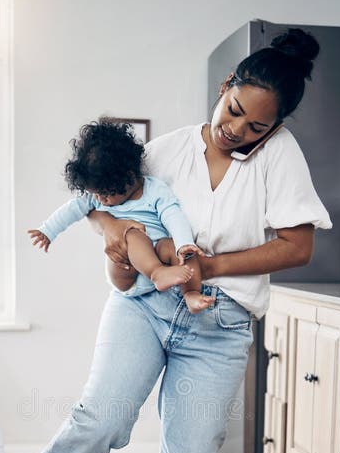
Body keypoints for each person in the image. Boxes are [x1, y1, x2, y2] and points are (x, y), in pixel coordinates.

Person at [0, 27, 332, 453]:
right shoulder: (166, 151)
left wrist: (210, 267)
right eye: (233, 110)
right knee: (102, 419)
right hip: (143, 304)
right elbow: (100, 202)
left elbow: (298, 246)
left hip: (220, 324)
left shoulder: (280, 154)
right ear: (225, 85)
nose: (237, 130)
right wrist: (115, 234)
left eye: (257, 126)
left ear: (274, 128)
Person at [27, 117, 214, 314]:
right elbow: (71, 210)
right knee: (131, 232)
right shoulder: (96, 197)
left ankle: (191, 293)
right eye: (95, 194)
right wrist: (48, 230)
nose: (100, 199)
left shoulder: (155, 190)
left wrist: (184, 242)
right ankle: (157, 273)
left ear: (129, 176)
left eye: (106, 193)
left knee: (180, 249)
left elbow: (173, 215)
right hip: (125, 270)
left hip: (159, 256)